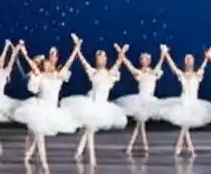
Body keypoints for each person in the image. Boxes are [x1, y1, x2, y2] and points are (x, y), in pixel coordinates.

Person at [12, 40, 81, 172]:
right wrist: (24, 53)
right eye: (46, 63)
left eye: (51, 61)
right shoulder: (41, 75)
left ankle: (28, 155)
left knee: (39, 134)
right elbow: (32, 65)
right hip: (40, 108)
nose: (48, 64)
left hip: (53, 110)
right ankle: (44, 164)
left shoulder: (59, 75)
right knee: (39, 135)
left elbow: (69, 63)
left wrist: (76, 49)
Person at [61, 37, 129, 166]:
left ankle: (79, 151)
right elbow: (82, 61)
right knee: (90, 130)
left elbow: (119, 62)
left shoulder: (110, 74)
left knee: (89, 130)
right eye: (98, 58)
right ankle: (91, 158)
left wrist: (121, 51)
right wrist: (78, 48)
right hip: (92, 105)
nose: (100, 60)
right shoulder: (92, 72)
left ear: (106, 60)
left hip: (103, 107)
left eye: (102, 58)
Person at [160, 45, 211, 157]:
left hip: (194, 103)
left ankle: (183, 148)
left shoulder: (197, 75)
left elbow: (204, 64)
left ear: (193, 62)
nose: (189, 61)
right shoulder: (182, 75)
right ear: (185, 62)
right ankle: (185, 149)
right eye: (187, 59)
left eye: (191, 59)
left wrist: (208, 56)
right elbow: (172, 66)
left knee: (185, 127)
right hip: (184, 103)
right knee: (185, 126)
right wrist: (166, 54)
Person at [115, 45, 168, 155]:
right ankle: (139, 146)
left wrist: (163, 54)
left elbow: (160, 63)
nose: (144, 61)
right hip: (140, 100)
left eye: (146, 59)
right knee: (140, 123)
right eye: (143, 60)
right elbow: (128, 65)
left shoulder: (153, 72)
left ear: (149, 61)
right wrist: (121, 54)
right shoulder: (139, 73)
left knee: (140, 124)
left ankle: (137, 146)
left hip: (149, 101)